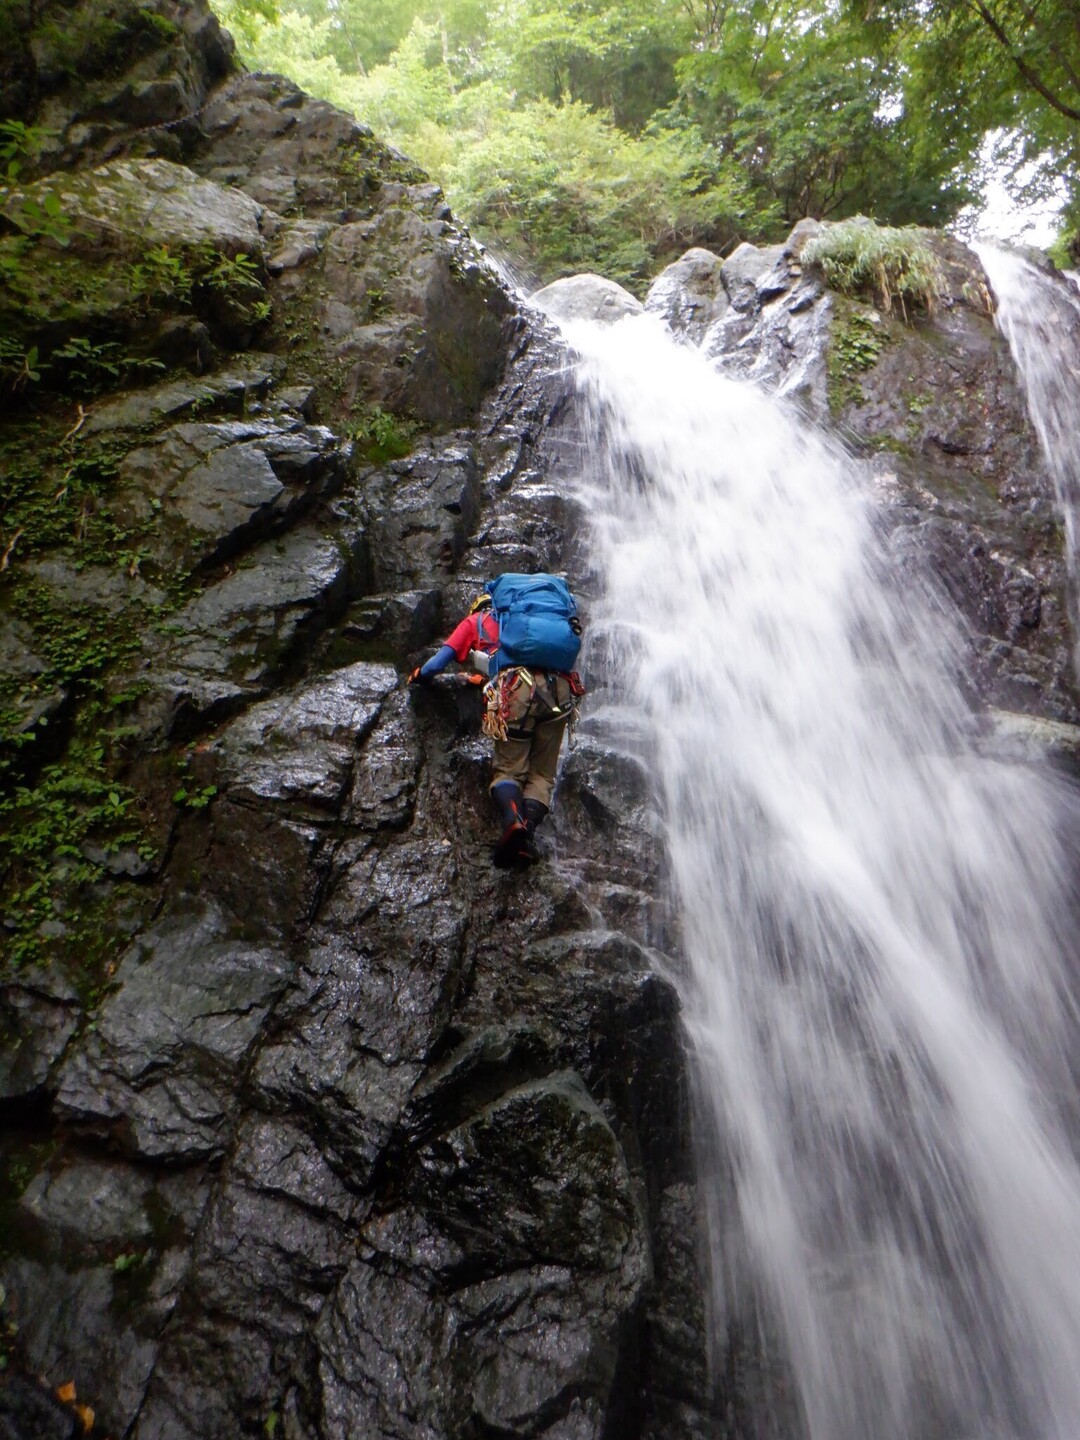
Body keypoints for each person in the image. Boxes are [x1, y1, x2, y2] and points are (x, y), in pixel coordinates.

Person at [408, 593, 581, 867]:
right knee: (542, 775)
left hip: (518, 690)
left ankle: (514, 822)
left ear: (477, 606)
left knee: (509, 770)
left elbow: (438, 663)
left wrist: (419, 676)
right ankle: (525, 837)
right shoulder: (533, 623)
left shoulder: (478, 621)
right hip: (559, 691)